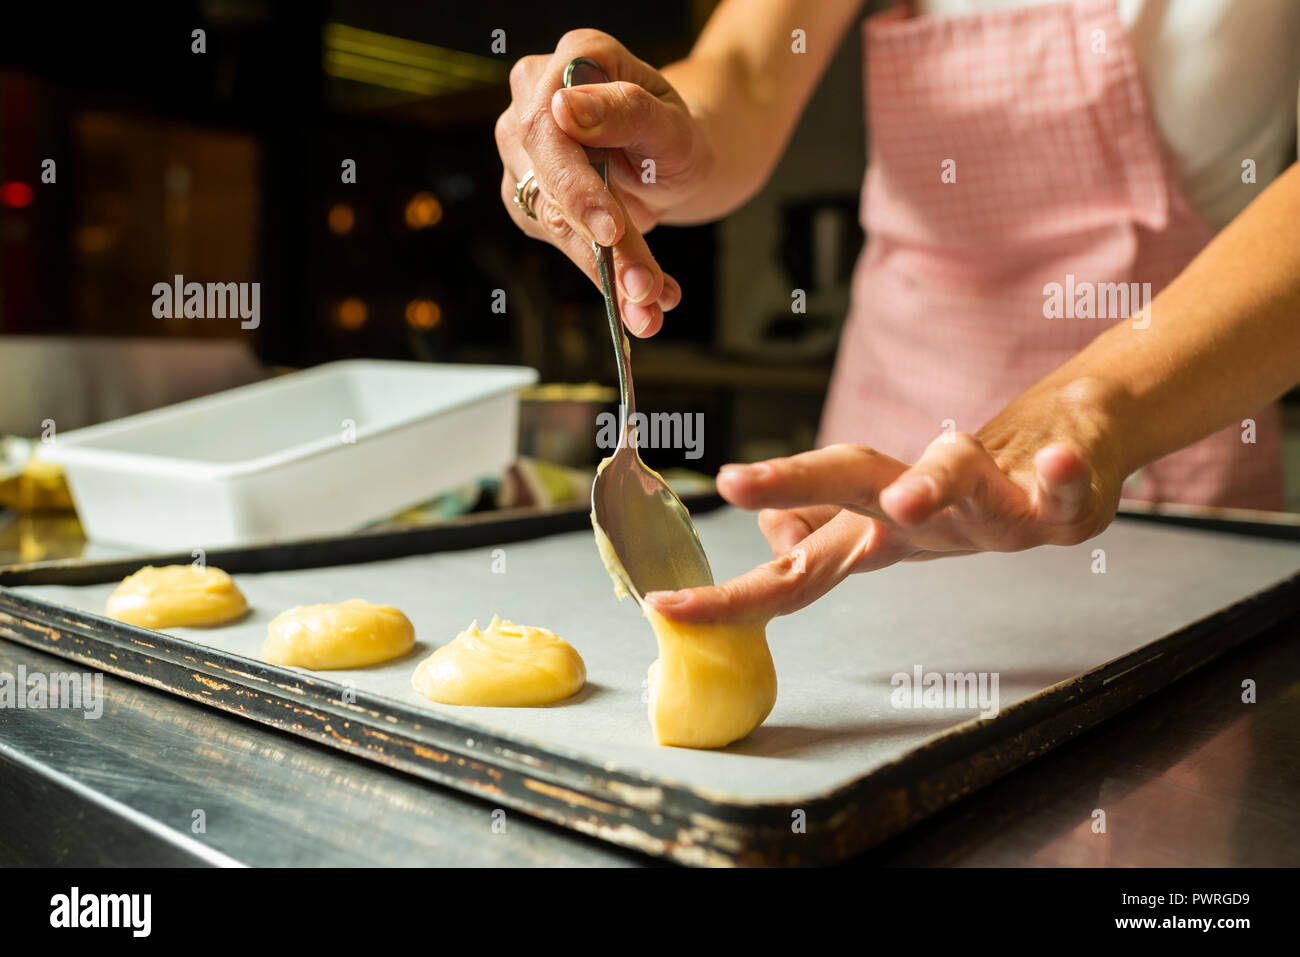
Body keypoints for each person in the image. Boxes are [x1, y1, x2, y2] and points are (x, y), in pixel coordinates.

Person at [495, 0, 1300, 621]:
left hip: (1181, 417)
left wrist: (1091, 408)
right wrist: (665, 135)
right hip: (883, 466)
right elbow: (743, 71)